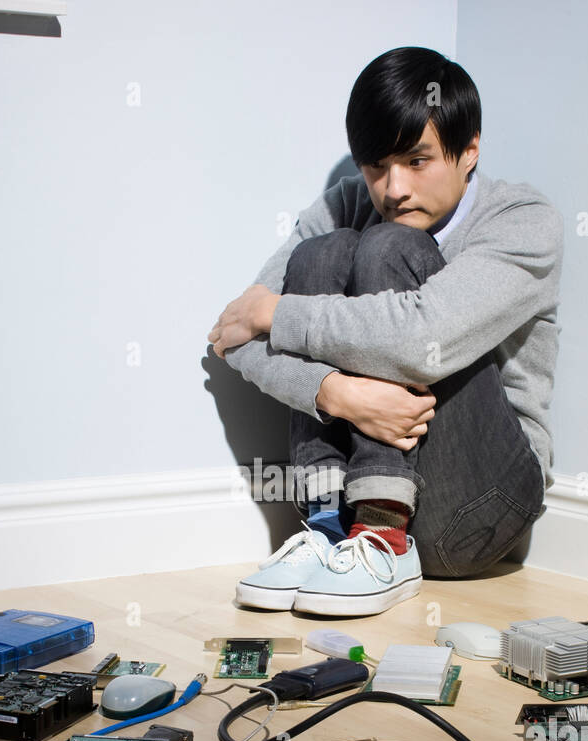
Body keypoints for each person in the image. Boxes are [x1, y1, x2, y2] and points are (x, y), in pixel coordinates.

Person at [208, 46, 562, 617]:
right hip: (347, 507)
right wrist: (336, 395)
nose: (392, 188)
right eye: (376, 166)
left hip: (480, 509)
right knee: (326, 253)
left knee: (389, 245)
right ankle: (326, 529)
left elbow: (420, 338)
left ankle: (385, 535)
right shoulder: (347, 203)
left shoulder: (521, 219)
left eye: (416, 161)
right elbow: (233, 334)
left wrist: (278, 315)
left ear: (469, 150)